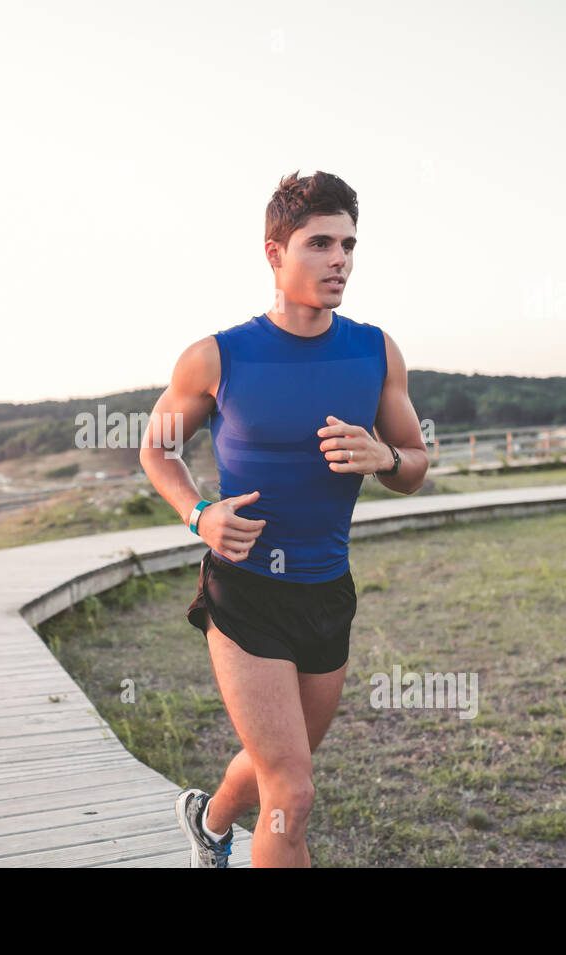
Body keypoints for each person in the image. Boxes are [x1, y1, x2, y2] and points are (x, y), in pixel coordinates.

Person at [139, 170, 429, 867]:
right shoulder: (218, 355)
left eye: (350, 245)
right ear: (275, 253)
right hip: (245, 592)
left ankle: (208, 821)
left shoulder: (375, 350)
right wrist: (197, 513)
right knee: (291, 792)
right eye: (321, 243)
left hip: (328, 591)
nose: (341, 261)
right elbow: (156, 446)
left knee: (277, 766)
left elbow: (416, 465)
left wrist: (382, 454)